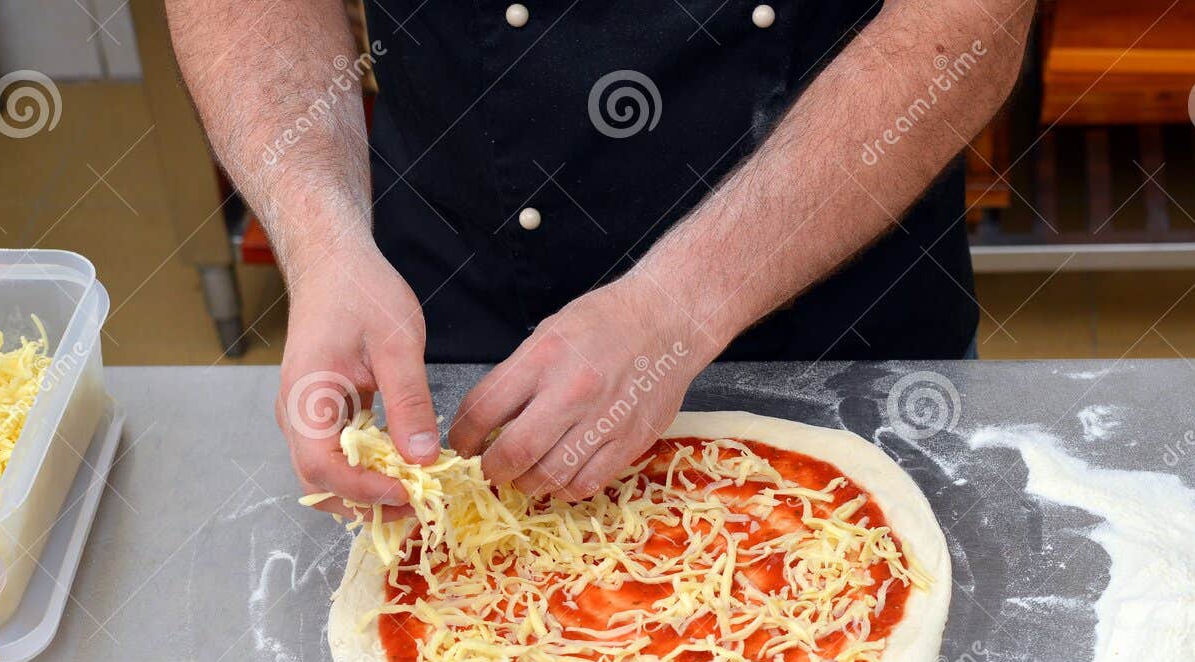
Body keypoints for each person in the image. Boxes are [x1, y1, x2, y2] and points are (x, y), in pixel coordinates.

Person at [168, 0, 1031, 512]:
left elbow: (965, 19)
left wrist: (680, 304)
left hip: (843, 347)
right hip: (461, 355)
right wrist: (323, 241)